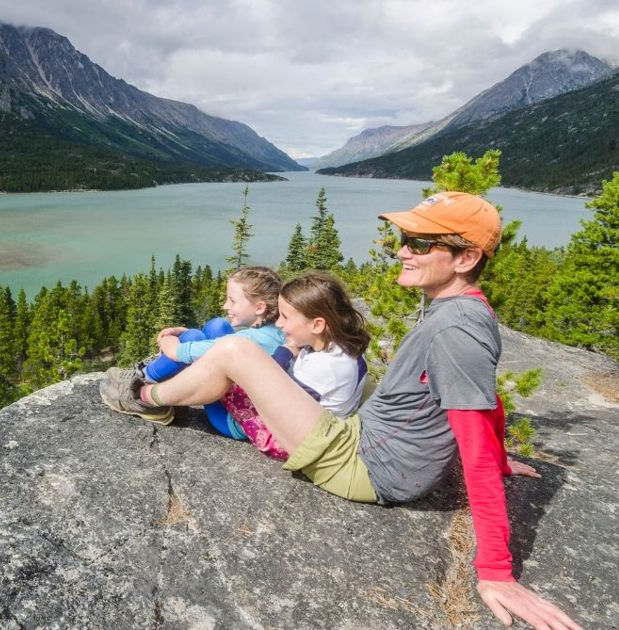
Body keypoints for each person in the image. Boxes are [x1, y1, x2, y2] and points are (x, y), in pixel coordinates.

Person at [100, 192, 581, 630]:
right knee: (238, 356)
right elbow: (486, 397)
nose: (402, 250)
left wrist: (496, 571)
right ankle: (158, 394)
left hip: (366, 467)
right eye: (403, 238)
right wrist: (501, 456)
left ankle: (146, 399)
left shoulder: (457, 329)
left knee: (234, 354)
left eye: (420, 242)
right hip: (365, 444)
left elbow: (472, 433)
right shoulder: (462, 309)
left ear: (467, 257)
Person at [107, 266, 285, 429]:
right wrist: (184, 333)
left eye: (232, 301)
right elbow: (224, 340)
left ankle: (140, 386)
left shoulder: (252, 340)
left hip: (234, 420)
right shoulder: (276, 330)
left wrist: (168, 340)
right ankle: (160, 386)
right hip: (244, 401)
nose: (225, 305)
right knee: (217, 326)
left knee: (192, 339)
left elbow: (178, 352)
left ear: (260, 307)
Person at [217, 271, 370, 460]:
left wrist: (283, 353)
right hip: (312, 426)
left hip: (287, 440)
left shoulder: (325, 367)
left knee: (224, 377)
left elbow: (272, 394)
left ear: (317, 325)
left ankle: (230, 423)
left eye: (285, 317)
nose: (279, 323)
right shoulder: (341, 346)